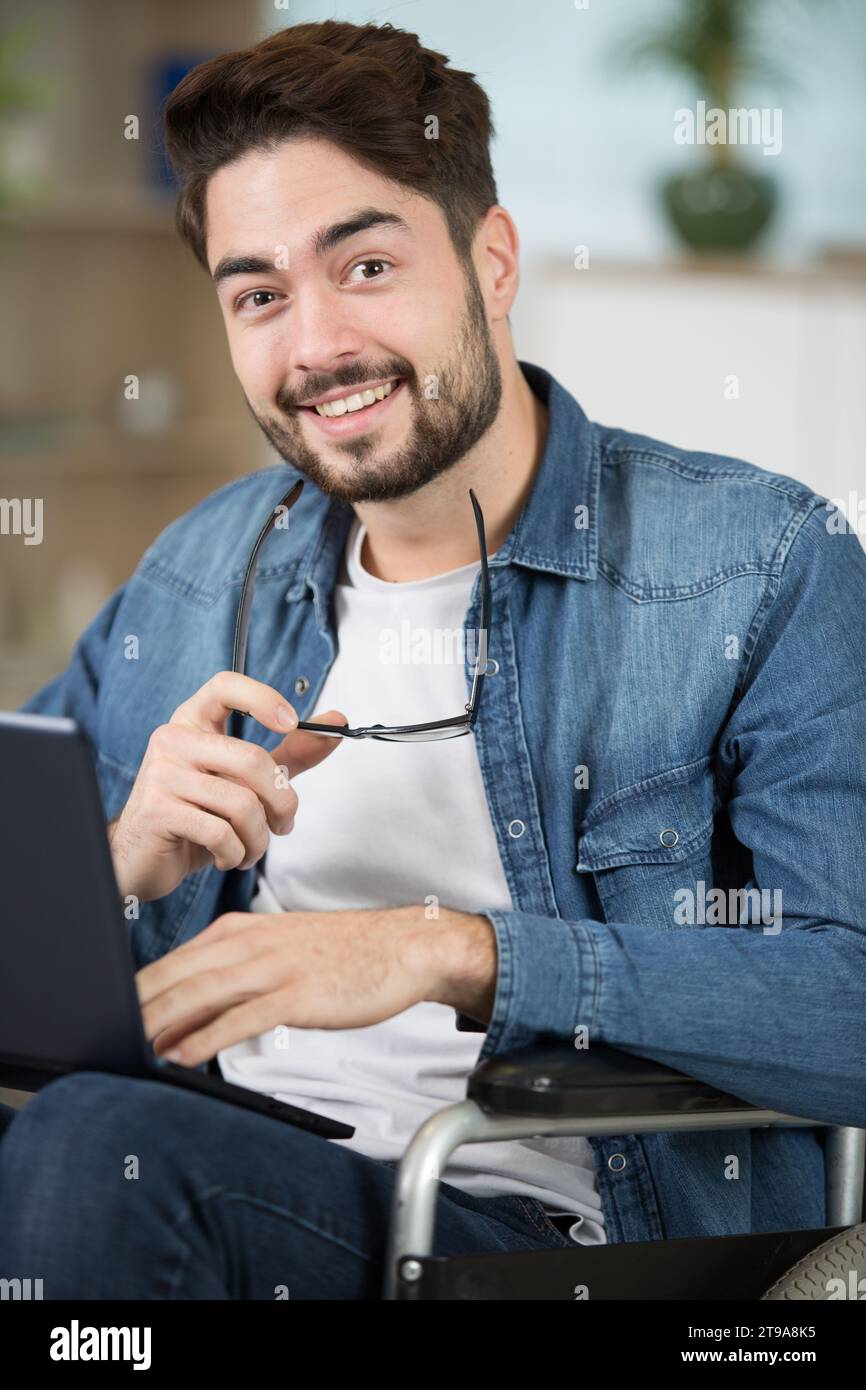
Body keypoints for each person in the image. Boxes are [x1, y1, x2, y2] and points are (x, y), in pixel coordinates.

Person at [1, 19, 864, 1300]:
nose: (314, 349)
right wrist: (113, 861)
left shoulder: (760, 561)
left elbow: (844, 995)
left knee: (89, 1144)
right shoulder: (199, 567)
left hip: (548, 1238)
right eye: (258, 294)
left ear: (493, 260)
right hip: (225, 1172)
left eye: (363, 264)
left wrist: (448, 949)